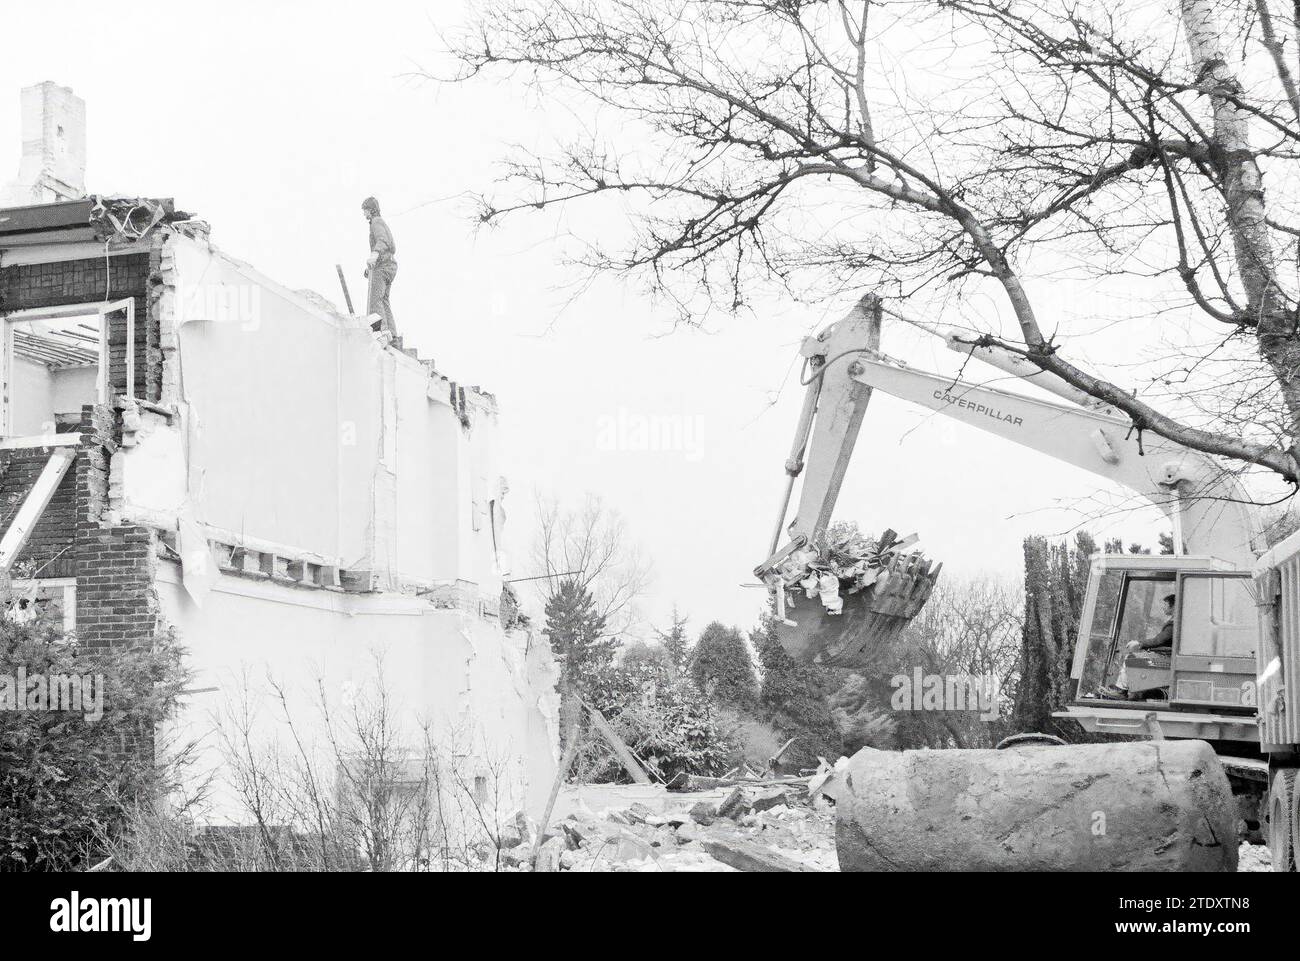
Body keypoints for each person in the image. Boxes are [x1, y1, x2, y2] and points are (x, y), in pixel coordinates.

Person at [1098, 592, 1175, 699]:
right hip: (1168, 657)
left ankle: (1122, 690)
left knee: (1130, 657)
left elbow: (1159, 640)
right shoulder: (1175, 622)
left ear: (1174, 606)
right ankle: (1134, 691)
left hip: (1167, 659)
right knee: (1138, 658)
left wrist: (1140, 644)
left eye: (1165, 604)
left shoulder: (1173, 624)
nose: (1163, 607)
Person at [362, 196, 398, 338]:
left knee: (375, 300)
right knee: (383, 300)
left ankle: (381, 331)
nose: (364, 214)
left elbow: (383, 240)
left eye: (365, 211)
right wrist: (370, 267)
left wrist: (375, 254)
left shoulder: (376, 222)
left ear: (371, 210)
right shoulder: (380, 222)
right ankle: (392, 334)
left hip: (383, 266)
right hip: (389, 265)